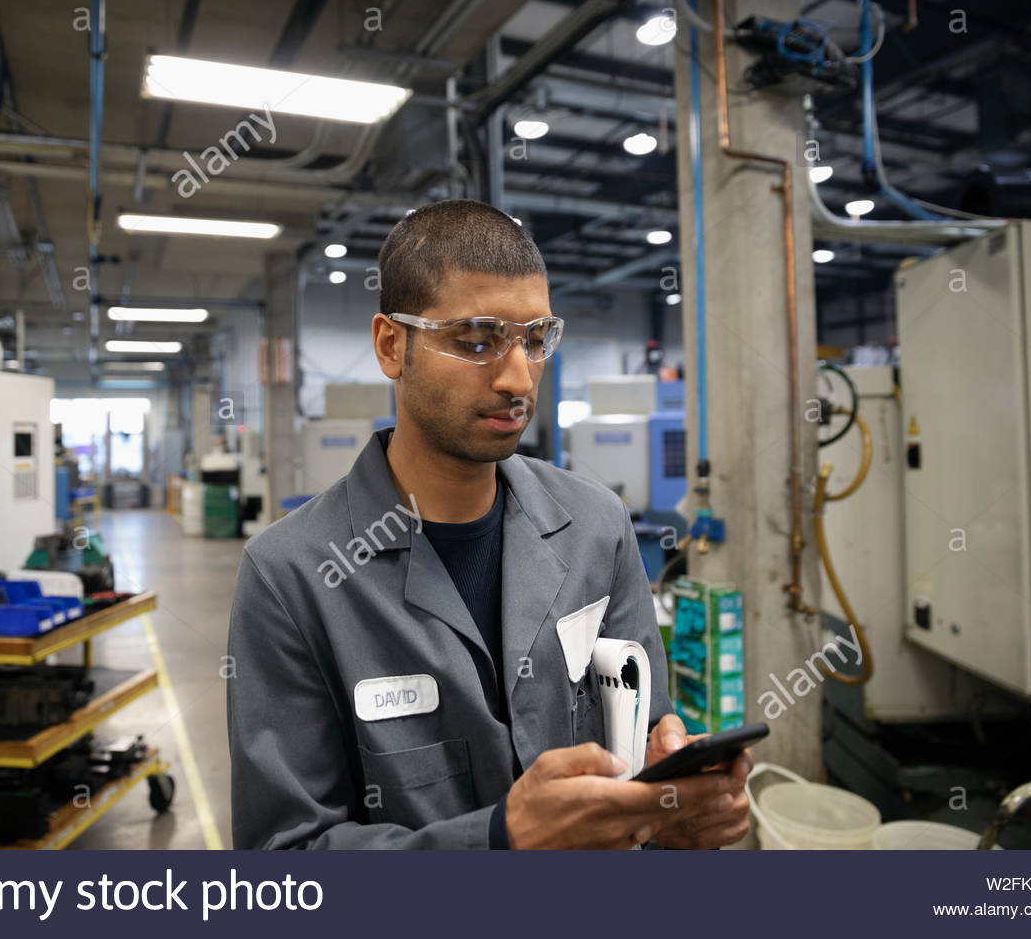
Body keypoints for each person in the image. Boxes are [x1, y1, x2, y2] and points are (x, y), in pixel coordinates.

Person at [227, 199, 751, 849]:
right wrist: (499, 841)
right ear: (393, 346)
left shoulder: (596, 527)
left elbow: (645, 734)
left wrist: (681, 806)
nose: (517, 378)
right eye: (476, 341)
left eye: (534, 340)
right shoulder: (292, 578)